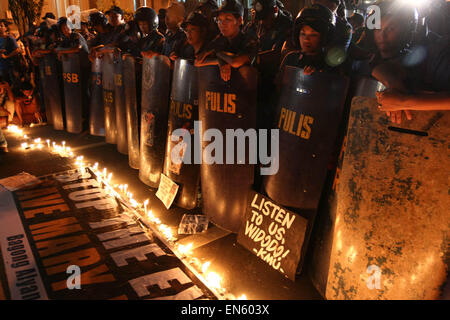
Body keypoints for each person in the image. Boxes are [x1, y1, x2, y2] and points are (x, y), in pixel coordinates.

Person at [195, 0, 258, 82]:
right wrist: (220, 61)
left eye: (227, 19)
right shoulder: (219, 39)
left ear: (239, 21)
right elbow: (197, 62)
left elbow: (235, 62)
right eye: (219, 20)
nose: (222, 24)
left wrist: (218, 53)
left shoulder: (249, 40)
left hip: (247, 89)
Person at [279, 4, 338, 75]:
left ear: (326, 37)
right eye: (303, 34)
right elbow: (280, 83)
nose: (306, 39)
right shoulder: (291, 59)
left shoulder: (331, 64)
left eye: (313, 35)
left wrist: (317, 78)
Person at [0, 20, 20, 86]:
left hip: (8, 67)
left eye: (1, 26)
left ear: (5, 28)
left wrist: (7, 56)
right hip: (1, 66)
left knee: (10, 84)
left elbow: (17, 50)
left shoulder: (9, 38)